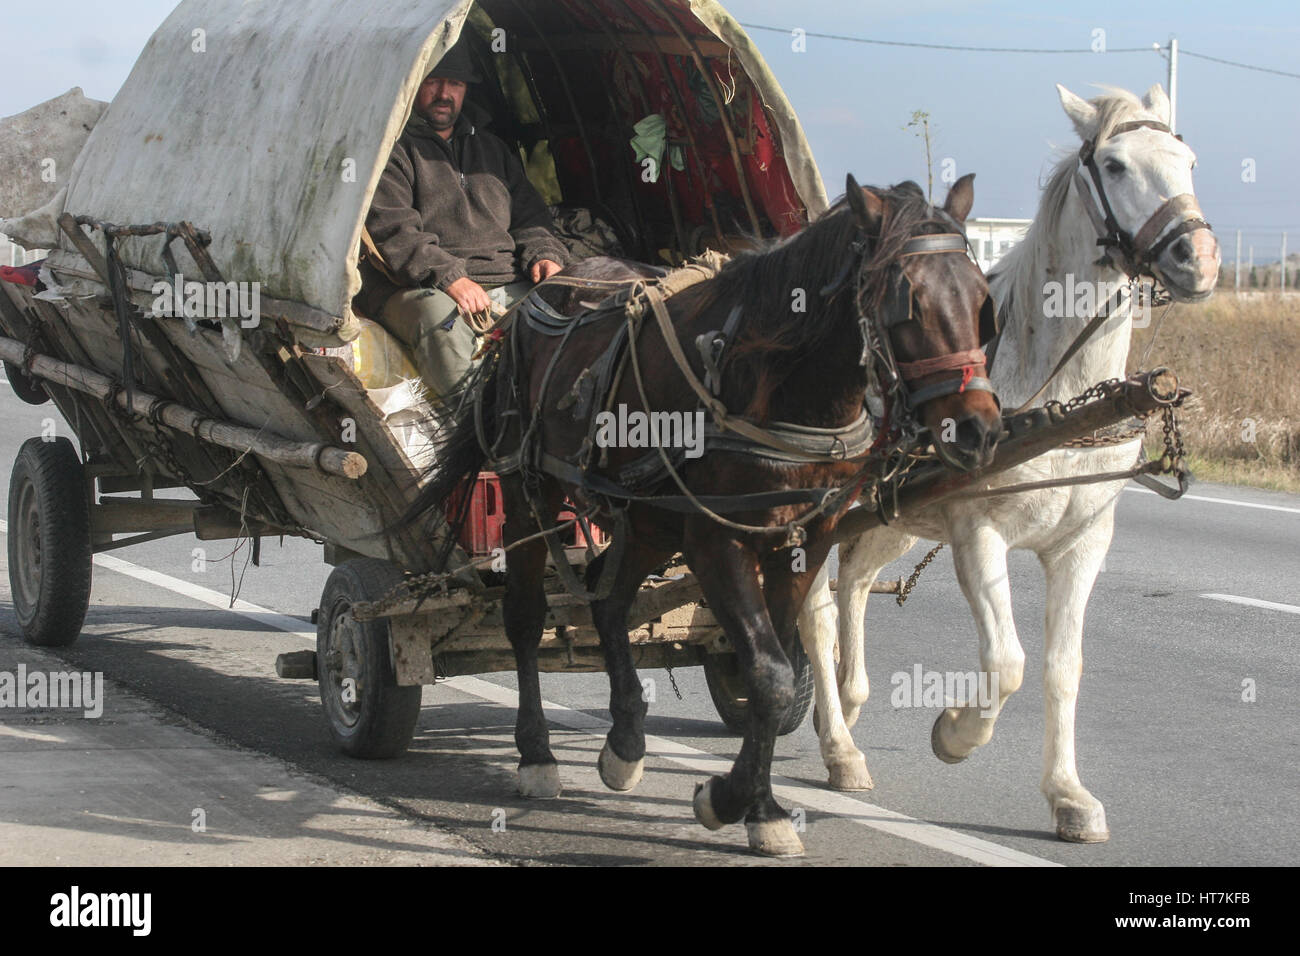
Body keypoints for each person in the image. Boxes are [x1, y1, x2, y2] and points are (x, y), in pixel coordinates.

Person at [356, 36, 569, 403]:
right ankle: (477, 438)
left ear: (466, 90)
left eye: (454, 84)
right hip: (417, 287)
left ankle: (557, 427)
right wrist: (451, 277)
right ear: (414, 84)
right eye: (434, 81)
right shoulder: (392, 150)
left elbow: (531, 216)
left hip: (503, 278)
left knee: (580, 305)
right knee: (440, 318)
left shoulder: (492, 149)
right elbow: (394, 231)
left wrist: (544, 253)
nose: (444, 93)